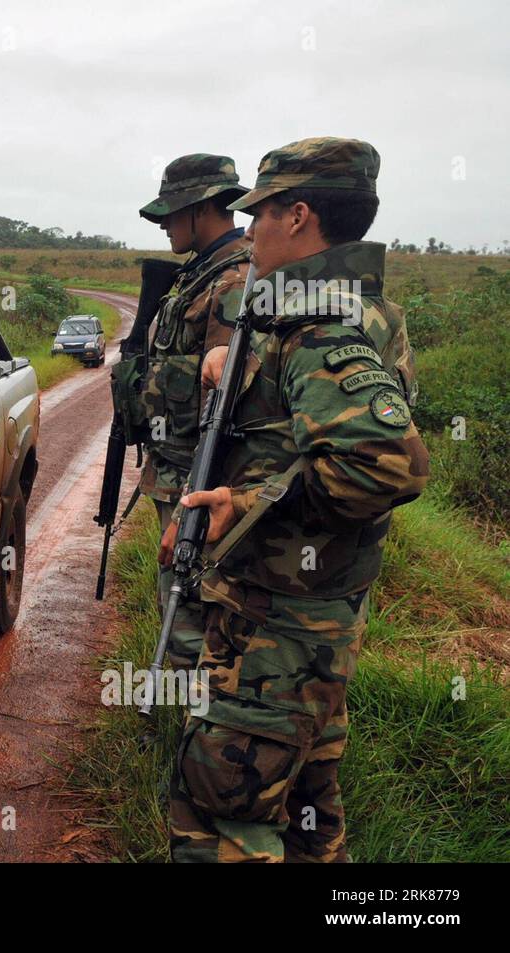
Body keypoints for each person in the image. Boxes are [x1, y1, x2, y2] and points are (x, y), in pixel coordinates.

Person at [161, 136, 429, 862]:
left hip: (281, 624)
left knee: (218, 818)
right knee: (309, 814)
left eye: (264, 213)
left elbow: (384, 469)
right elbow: (306, 426)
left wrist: (244, 506)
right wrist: (235, 359)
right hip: (318, 612)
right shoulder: (359, 308)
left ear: (301, 216)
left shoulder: (320, 324)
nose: (251, 230)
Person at [134, 154, 252, 668]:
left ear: (203, 208)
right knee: (176, 603)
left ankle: (188, 729)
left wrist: (191, 507)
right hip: (175, 469)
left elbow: (223, 413)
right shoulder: (200, 275)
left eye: (171, 212)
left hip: (197, 480)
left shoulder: (231, 283)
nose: (164, 224)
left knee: (190, 612)